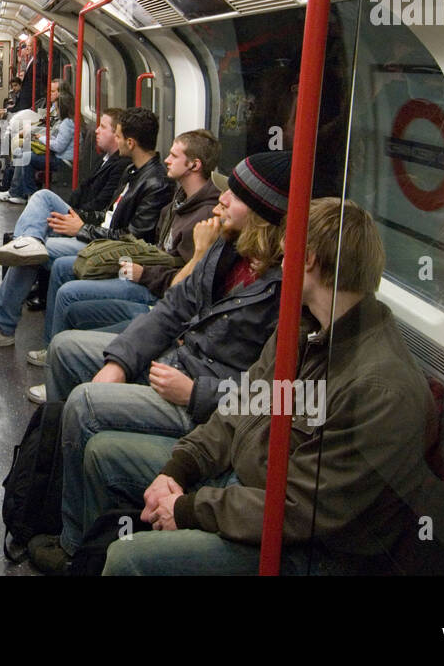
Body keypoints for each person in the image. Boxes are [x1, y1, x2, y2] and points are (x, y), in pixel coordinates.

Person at [95, 198, 434, 575]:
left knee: (130, 559)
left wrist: (190, 509)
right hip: (246, 487)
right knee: (104, 452)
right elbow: (239, 407)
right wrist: (179, 469)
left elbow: (300, 509)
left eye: (288, 255)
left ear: (307, 260)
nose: (280, 265)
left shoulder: (379, 388)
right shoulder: (301, 330)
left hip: (308, 550)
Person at [28, 150, 291, 573]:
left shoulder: (284, 289)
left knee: (84, 406)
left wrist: (197, 393)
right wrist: (118, 361)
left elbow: (269, 389)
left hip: (200, 402)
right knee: (65, 349)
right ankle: (55, 491)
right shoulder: (228, 251)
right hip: (178, 362)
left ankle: (74, 545)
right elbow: (172, 310)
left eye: (236, 196)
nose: (222, 200)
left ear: (262, 214)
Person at [0, 108, 171, 350]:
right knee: (42, 199)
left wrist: (81, 228)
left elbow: (131, 237)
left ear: (131, 142)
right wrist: (81, 220)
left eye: (120, 136)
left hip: (111, 247)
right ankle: (28, 240)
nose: (168, 160)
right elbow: (109, 215)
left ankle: (1, 325)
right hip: (98, 231)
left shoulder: (154, 183)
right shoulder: (133, 170)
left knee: (38, 251)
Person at [34, 129, 224, 360]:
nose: (166, 160)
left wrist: (142, 274)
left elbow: (181, 282)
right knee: (64, 266)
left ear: (194, 165)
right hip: (145, 268)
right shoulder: (179, 198)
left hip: (152, 286)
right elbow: (157, 249)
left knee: (68, 293)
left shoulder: (204, 218)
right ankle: (50, 349)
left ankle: (55, 357)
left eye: (174, 156)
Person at [4, 84, 76, 201]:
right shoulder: (66, 121)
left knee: (25, 156)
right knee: (21, 151)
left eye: (57, 109)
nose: (56, 112)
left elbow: (58, 146)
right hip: (59, 155)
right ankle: (17, 192)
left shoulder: (67, 123)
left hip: (63, 160)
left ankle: (29, 194)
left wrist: (42, 138)